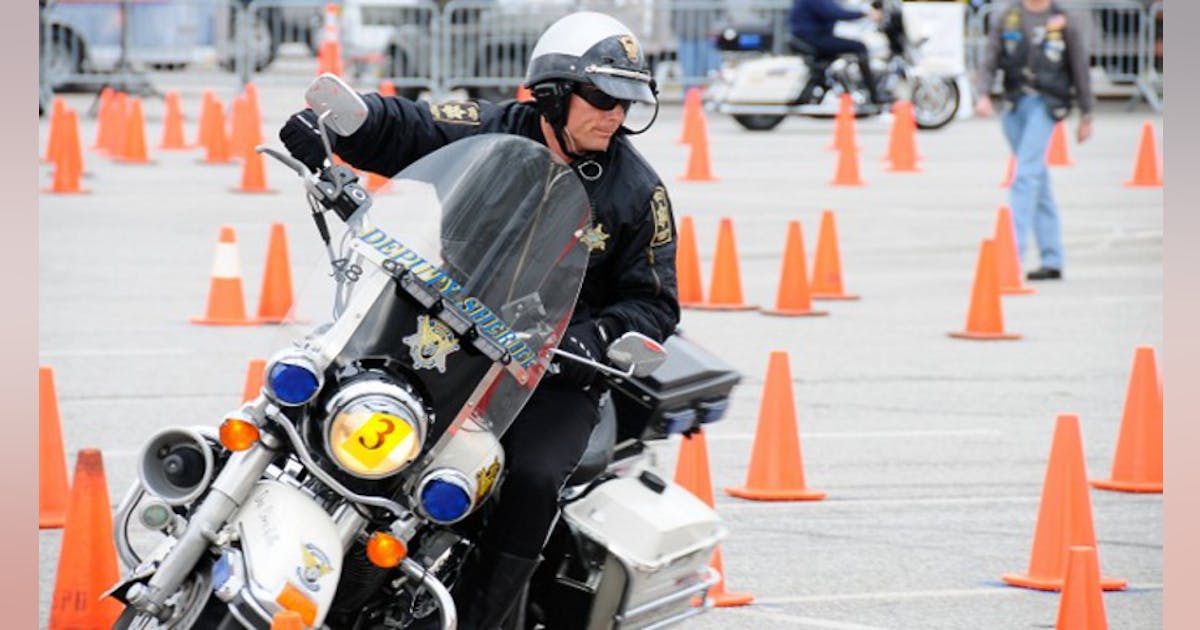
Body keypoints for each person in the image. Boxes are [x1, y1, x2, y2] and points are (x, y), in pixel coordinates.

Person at [280, 11, 680, 630]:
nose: (616, 115)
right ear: (552, 94)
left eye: (627, 102)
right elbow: (411, 127)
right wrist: (345, 121)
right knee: (326, 400)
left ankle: (481, 616)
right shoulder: (494, 127)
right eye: (603, 98)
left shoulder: (637, 191)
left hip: (550, 373)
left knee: (533, 476)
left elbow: (655, 303)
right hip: (442, 330)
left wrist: (586, 339)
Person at [974, 0, 1094, 281]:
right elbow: (990, 59)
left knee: (1025, 176)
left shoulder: (1063, 19)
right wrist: (982, 93)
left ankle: (1011, 256)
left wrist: (1086, 113)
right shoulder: (1008, 16)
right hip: (1014, 105)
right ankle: (1052, 257)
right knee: (1037, 177)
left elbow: (1079, 67)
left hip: (1047, 102)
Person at [788, 0, 887, 104]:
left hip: (811, 37)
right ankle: (874, 95)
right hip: (813, 38)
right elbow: (836, 13)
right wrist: (865, 13)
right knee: (859, 47)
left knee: (832, 59)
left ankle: (840, 85)